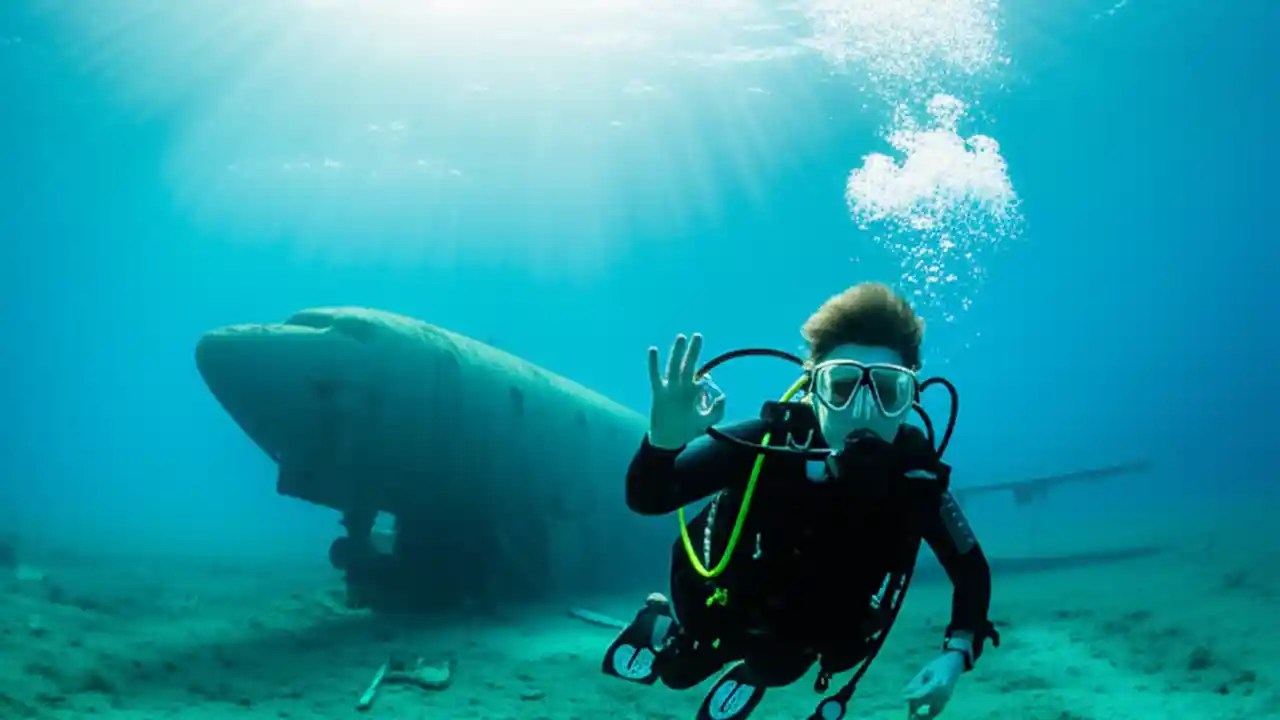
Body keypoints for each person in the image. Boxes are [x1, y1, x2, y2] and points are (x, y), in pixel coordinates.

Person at [600, 282, 998, 720]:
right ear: (813, 388)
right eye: (843, 386)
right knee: (679, 673)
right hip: (721, 605)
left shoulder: (915, 480)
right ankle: (658, 620)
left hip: (803, 633)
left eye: (887, 391)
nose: (863, 411)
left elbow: (970, 570)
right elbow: (649, 496)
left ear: (910, 398)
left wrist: (956, 654)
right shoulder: (764, 446)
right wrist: (662, 444)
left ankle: (757, 671)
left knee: (779, 669)